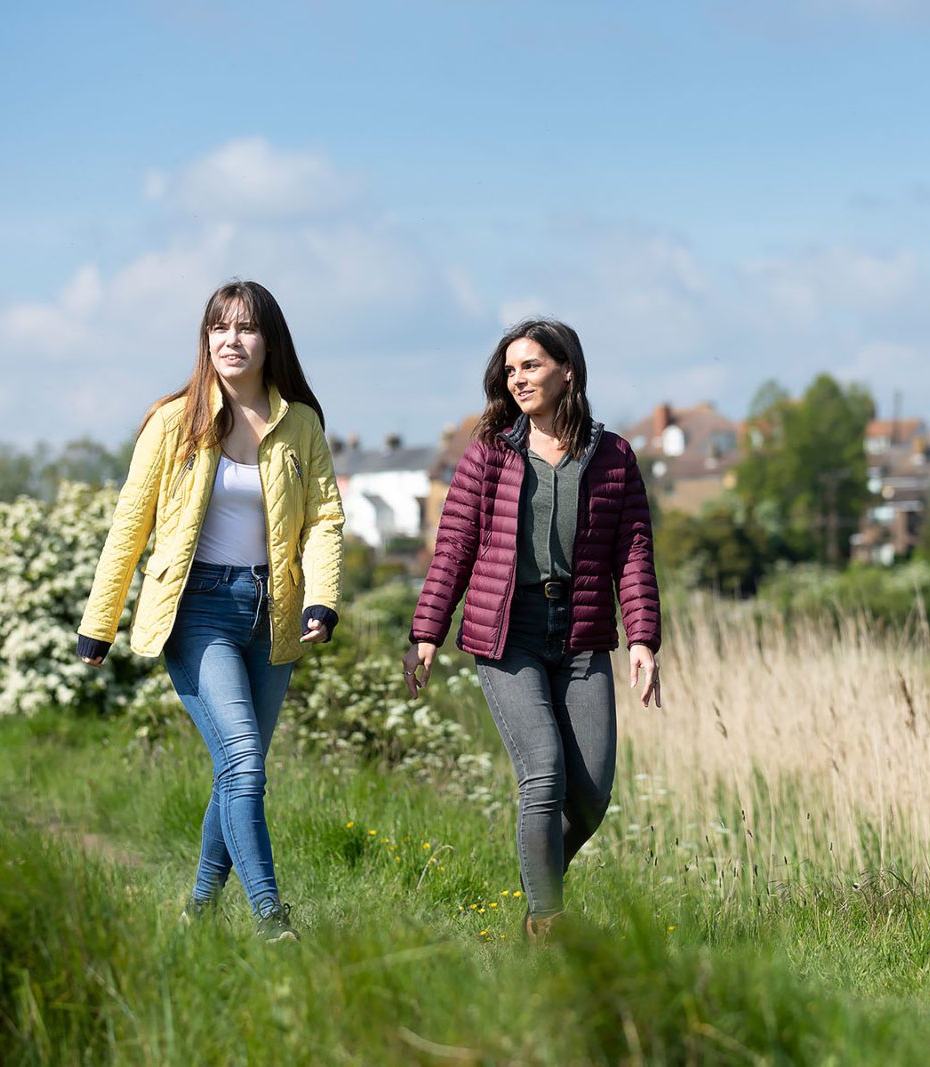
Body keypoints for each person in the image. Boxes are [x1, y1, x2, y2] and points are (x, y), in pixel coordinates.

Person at [76, 280, 344, 942]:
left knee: (236, 771)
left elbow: (326, 520)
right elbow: (130, 525)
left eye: (247, 327)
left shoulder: (301, 423)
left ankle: (198, 910)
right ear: (206, 340)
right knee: (245, 760)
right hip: (196, 609)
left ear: (268, 339)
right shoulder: (173, 420)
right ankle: (272, 917)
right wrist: (98, 622)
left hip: (272, 613)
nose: (232, 339)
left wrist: (322, 597)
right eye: (219, 327)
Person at [404, 318, 662, 940]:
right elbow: (455, 546)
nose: (518, 378)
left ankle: (539, 877)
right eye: (511, 368)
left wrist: (643, 638)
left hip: (580, 636)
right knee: (542, 772)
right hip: (508, 632)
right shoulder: (490, 451)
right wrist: (427, 633)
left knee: (592, 797)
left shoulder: (613, 455)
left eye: (532, 366)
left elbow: (633, 551)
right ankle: (547, 919)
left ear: (567, 370)